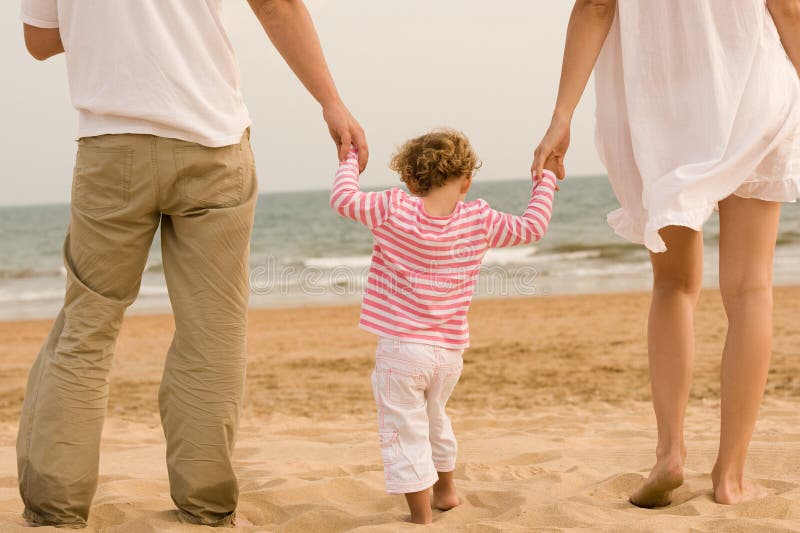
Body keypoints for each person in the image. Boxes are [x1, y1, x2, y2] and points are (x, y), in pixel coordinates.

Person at [18, 0, 367, 527]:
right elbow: (275, 5)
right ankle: (205, 507)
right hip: (212, 142)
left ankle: (55, 509)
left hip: (112, 149)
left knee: (87, 327)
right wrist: (331, 102)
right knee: (212, 334)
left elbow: (40, 42)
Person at [532, 0, 800, 508]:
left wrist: (560, 117)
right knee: (749, 290)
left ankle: (669, 454)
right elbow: (787, 8)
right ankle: (730, 477)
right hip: (751, 90)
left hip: (659, 105)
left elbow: (595, 7)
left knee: (674, 285)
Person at [330, 130, 558, 524]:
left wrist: (351, 159)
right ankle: (446, 492)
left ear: (410, 180)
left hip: (403, 349)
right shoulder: (480, 220)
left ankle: (420, 518)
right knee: (435, 417)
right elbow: (533, 226)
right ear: (466, 181)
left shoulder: (391, 208)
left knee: (405, 429)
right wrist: (546, 178)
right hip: (449, 353)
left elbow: (343, 199)